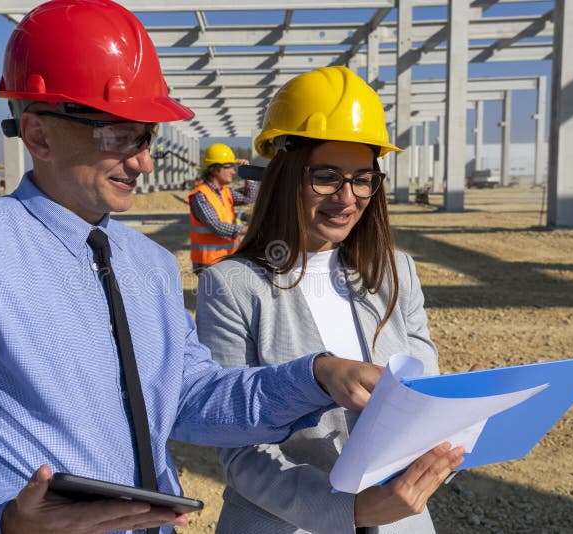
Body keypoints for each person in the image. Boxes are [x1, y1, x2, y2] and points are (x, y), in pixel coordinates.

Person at [0, 4, 387, 533]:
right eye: (119, 136)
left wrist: (315, 375)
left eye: (147, 137)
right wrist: (4, 517)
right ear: (38, 135)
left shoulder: (150, 265)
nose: (143, 161)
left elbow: (191, 397)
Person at [196, 66, 466, 533]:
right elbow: (240, 450)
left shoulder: (396, 272)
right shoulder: (232, 286)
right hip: (287, 521)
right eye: (326, 177)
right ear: (283, 175)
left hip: (401, 519)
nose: (348, 198)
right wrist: (352, 512)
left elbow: (424, 396)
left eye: (363, 178)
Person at [188, 143, 256, 274]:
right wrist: (248, 229)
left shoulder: (225, 192)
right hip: (209, 263)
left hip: (227, 258)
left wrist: (248, 173)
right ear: (214, 169)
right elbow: (217, 227)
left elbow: (249, 198)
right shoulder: (201, 196)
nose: (233, 171)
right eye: (228, 167)